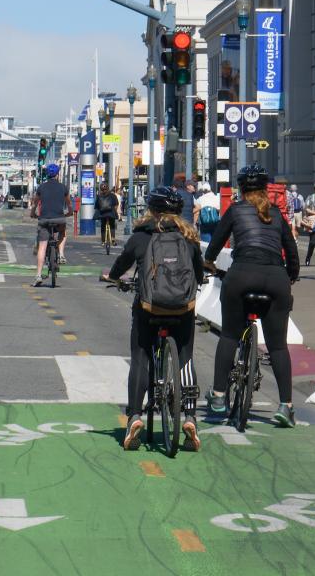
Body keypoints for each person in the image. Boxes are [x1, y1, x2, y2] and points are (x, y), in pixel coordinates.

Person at [100, 186, 205, 452]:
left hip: (149, 309)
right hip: (181, 310)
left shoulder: (141, 236)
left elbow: (121, 265)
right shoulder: (188, 236)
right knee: (185, 357)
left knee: (141, 358)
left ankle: (135, 416)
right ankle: (190, 416)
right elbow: (199, 274)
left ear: (152, 209)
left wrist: (113, 278)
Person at [203, 164, 302, 427]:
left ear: (241, 189)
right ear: (264, 188)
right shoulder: (277, 214)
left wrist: (209, 262)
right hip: (275, 279)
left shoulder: (235, 210)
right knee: (278, 346)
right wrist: (291, 275)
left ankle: (219, 396)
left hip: (241, 275)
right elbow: (291, 252)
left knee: (229, 336)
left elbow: (214, 246)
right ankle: (286, 406)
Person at [31, 163, 73, 285]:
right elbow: (69, 204)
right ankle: (61, 254)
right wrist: (69, 212)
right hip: (59, 218)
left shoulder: (41, 187)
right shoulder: (63, 188)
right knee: (63, 232)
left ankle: (38, 275)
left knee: (42, 246)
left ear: (47, 174)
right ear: (58, 174)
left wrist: (33, 213)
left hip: (44, 219)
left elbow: (35, 203)